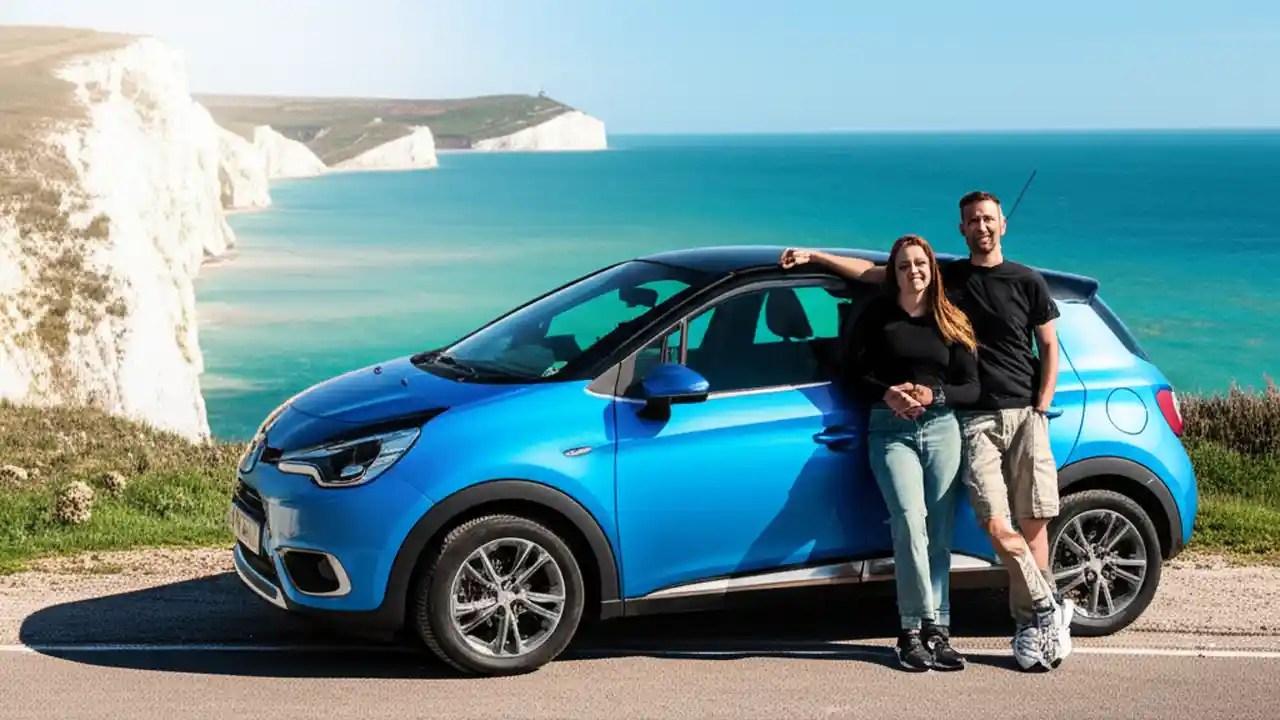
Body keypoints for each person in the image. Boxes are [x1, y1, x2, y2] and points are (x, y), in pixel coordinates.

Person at [779, 190, 1074, 672]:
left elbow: (1046, 343)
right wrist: (817, 257)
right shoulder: (947, 282)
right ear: (961, 229)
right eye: (972, 221)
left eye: (988, 219)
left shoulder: (1020, 283)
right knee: (978, 524)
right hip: (964, 420)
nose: (981, 227)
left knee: (1027, 523)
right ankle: (976, 617)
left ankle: (1024, 623)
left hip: (1007, 416)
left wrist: (1042, 405)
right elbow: (873, 275)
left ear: (1002, 224)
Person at [842, 234, 979, 672]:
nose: (913, 271)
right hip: (891, 430)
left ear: (932, 268)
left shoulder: (951, 319)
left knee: (939, 532)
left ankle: (939, 631)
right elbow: (849, 371)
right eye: (904, 265)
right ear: (894, 271)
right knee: (908, 523)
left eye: (920, 263)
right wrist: (887, 394)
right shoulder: (875, 316)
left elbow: (971, 386)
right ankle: (911, 631)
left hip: (941, 429)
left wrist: (933, 394)